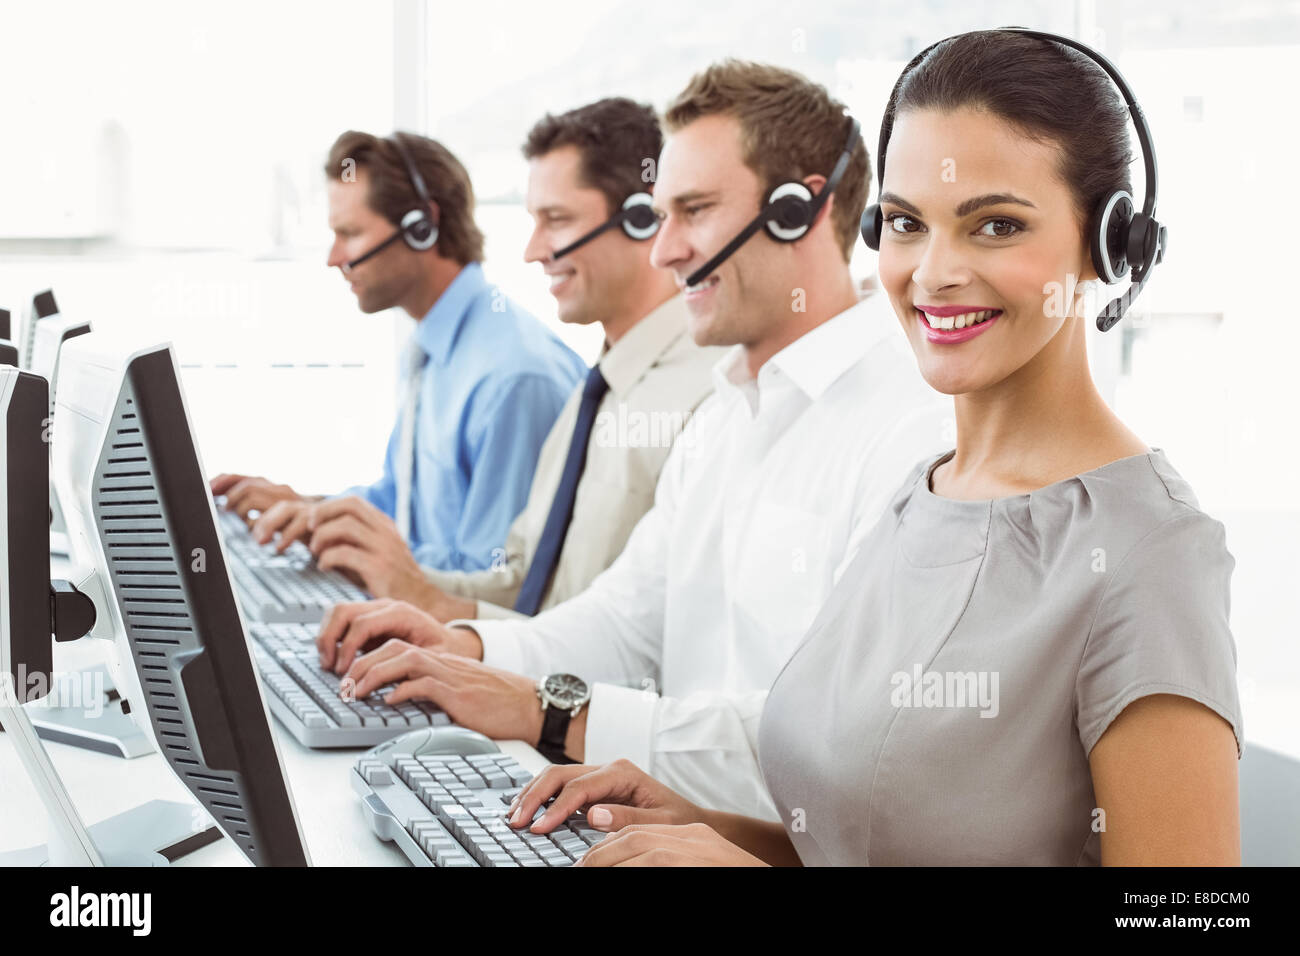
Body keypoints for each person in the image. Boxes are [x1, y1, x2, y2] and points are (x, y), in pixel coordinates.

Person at [508, 30, 1243, 866]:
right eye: (904, 223)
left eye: (996, 225)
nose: (933, 273)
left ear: (1111, 246)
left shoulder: (1150, 554)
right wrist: (703, 826)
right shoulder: (919, 489)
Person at [317, 61, 950, 819]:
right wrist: (468, 652)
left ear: (797, 209)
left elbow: (840, 743)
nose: (663, 250)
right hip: (651, 828)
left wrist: (551, 715)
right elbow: (623, 623)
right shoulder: (727, 413)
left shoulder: (914, 426)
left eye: (695, 211)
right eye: (659, 215)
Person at [351, 98, 722, 620]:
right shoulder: (596, 393)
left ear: (644, 220)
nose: (531, 251)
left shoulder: (708, 398)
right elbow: (524, 585)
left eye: (557, 220)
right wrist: (395, 583)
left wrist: (424, 603)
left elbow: (623, 640)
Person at [210, 131, 584, 577]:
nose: (333, 258)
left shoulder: (514, 378)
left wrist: (338, 541)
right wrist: (309, 509)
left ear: (421, 227)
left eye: (348, 234)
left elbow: (498, 580)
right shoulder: (432, 345)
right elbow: (405, 505)